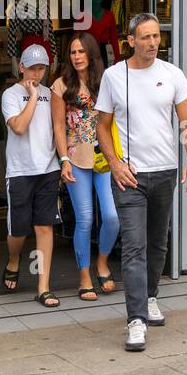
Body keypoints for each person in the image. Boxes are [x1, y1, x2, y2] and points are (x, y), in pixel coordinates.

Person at [96, 13, 187, 353]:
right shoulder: (113, 76)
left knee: (158, 244)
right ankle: (136, 320)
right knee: (135, 247)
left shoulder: (172, 74)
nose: (153, 43)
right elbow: (102, 125)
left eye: (156, 36)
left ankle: (151, 295)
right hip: (130, 177)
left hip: (165, 172)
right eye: (146, 37)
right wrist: (114, 164)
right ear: (130, 41)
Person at [51, 31, 120, 301]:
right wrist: (63, 159)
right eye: (73, 52)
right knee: (85, 219)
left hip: (105, 158)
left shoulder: (107, 81)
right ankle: (84, 278)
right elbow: (57, 125)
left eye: (81, 51)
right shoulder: (61, 85)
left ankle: (102, 262)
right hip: (76, 158)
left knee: (112, 217)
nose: (77, 57)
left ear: (91, 54)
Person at [0, 44, 61, 307]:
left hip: (48, 168)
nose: (37, 74)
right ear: (21, 67)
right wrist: (33, 97)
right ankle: (14, 260)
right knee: (19, 229)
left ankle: (43, 286)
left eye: (41, 68)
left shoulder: (52, 94)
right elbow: (20, 127)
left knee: (44, 225)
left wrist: (64, 160)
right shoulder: (10, 94)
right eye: (33, 67)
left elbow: (58, 127)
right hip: (20, 170)